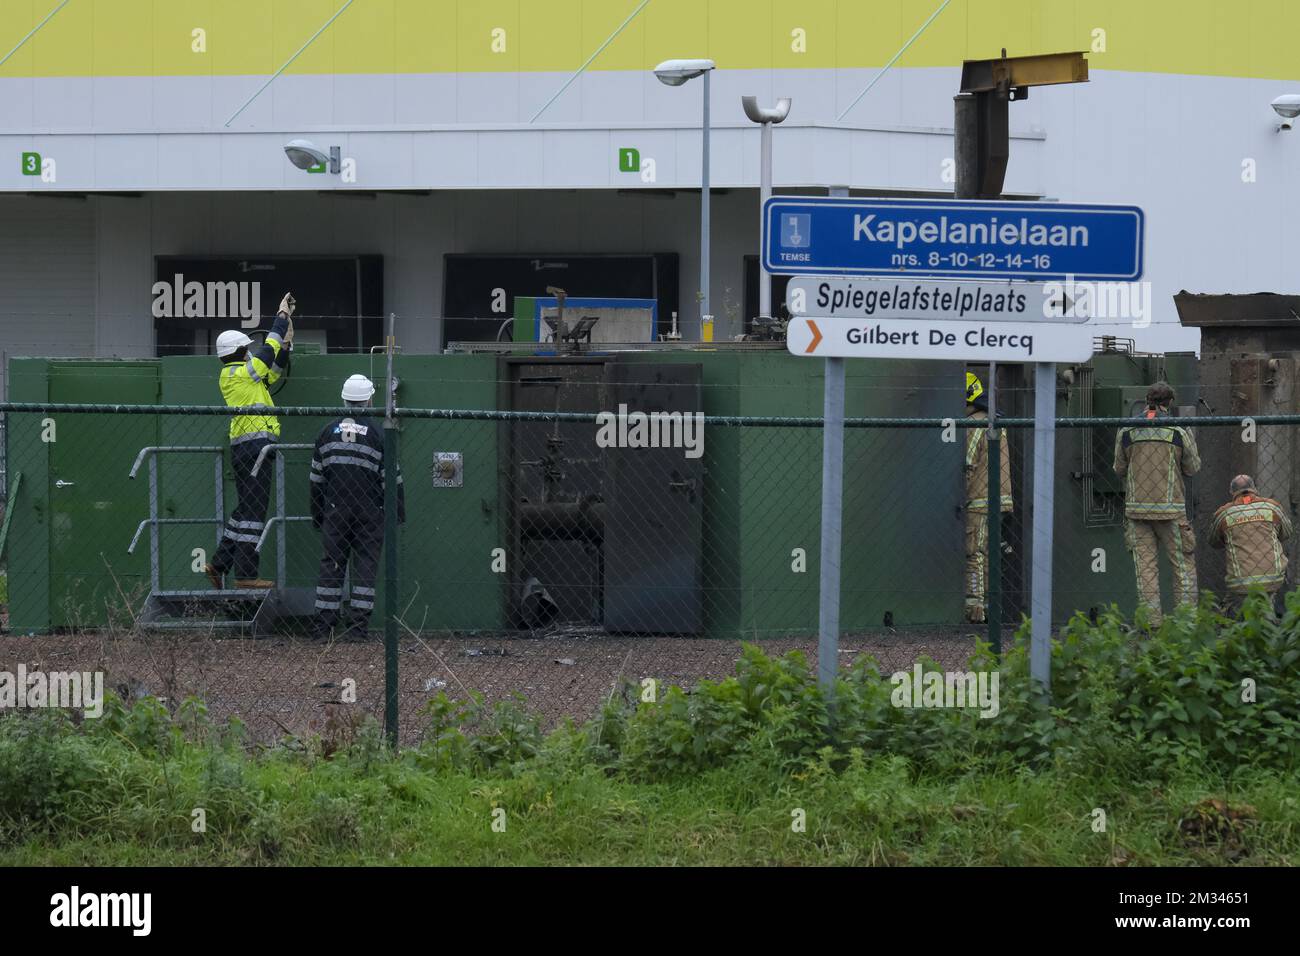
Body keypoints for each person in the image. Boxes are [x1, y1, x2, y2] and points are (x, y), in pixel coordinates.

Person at [204, 292, 295, 590]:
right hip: (254, 449)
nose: (250, 351)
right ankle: (245, 575)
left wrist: (286, 345)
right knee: (254, 512)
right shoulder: (236, 374)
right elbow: (265, 358)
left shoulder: (245, 376)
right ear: (240, 351)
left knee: (245, 509)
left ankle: (218, 563)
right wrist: (280, 319)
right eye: (247, 348)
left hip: (251, 448)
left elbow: (274, 370)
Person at [309, 374, 405, 640]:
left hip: (335, 507)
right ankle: (356, 630)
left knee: (332, 565)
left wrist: (318, 514)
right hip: (370, 510)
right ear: (369, 399)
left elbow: (316, 480)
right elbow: (392, 480)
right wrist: (397, 513)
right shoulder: (379, 434)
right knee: (365, 566)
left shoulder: (326, 433)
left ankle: (322, 629)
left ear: (344, 398)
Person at [1113, 381, 1200, 626]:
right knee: (1182, 567)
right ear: (1169, 402)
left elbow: (1119, 468)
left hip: (1137, 510)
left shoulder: (1128, 431)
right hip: (1171, 509)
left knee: (1146, 571)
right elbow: (1193, 468)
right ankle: (1186, 623)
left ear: (1146, 400)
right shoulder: (1178, 431)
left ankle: (1151, 624)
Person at [963, 372, 1013, 625]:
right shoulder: (994, 421)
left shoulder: (974, 424)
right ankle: (991, 607)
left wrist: (960, 495)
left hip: (980, 499)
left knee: (975, 553)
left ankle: (975, 609)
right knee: (990, 554)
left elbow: (968, 463)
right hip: (1000, 498)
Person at [1210, 474, 1292, 614]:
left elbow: (1214, 542)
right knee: (1269, 610)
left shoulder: (1223, 514)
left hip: (1240, 582)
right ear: (1255, 489)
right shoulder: (1272, 507)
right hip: (1273, 578)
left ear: (1231, 492)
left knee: (1235, 609)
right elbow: (1287, 533)